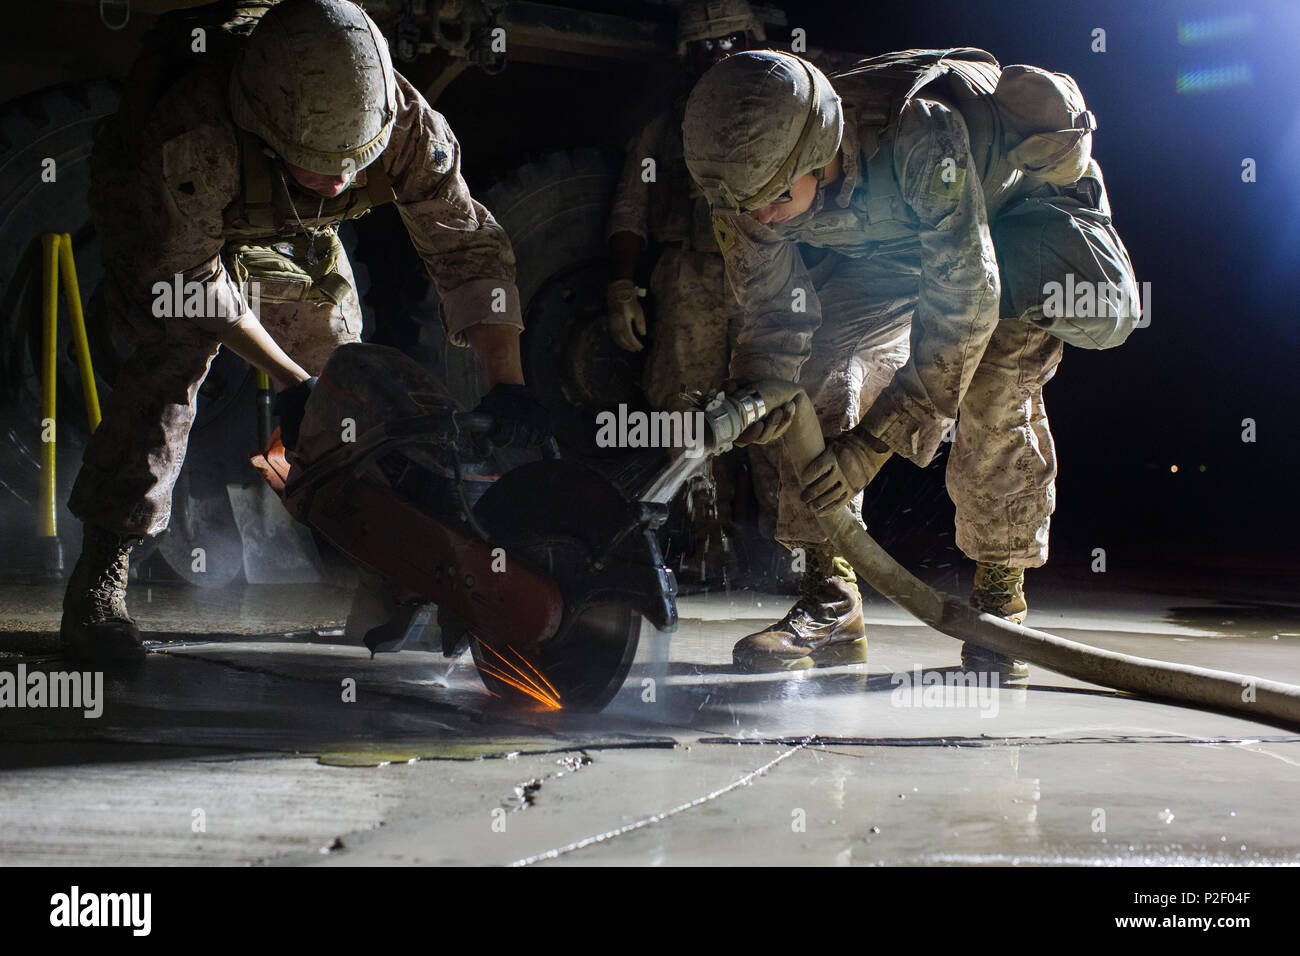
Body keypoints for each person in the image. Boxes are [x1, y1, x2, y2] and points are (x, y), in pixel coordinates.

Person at [61, 0, 545, 660]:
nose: (345, 179)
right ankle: (100, 575)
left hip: (287, 225)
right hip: (168, 239)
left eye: (355, 161)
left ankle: (390, 570)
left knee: (351, 387)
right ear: (266, 131)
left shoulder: (397, 116)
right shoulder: (197, 136)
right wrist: (290, 382)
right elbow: (192, 283)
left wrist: (507, 383)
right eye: (324, 161)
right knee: (171, 362)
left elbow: (469, 249)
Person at [682, 49, 1139, 676]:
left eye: (778, 198)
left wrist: (874, 444)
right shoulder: (749, 178)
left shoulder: (923, 135)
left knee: (992, 388)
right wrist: (763, 395)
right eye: (752, 205)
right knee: (819, 364)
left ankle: (999, 604)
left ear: (821, 152)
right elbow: (769, 317)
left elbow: (966, 304)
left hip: (1013, 237)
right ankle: (830, 598)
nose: (763, 217)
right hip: (903, 247)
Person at [604, 0, 768, 582]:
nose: (718, 57)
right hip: (691, 275)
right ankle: (709, 536)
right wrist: (623, 284)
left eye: (729, 43)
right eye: (705, 47)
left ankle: (796, 547)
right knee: (689, 409)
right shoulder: (667, 131)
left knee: (771, 401)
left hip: (762, 275)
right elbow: (632, 208)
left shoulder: (779, 116)